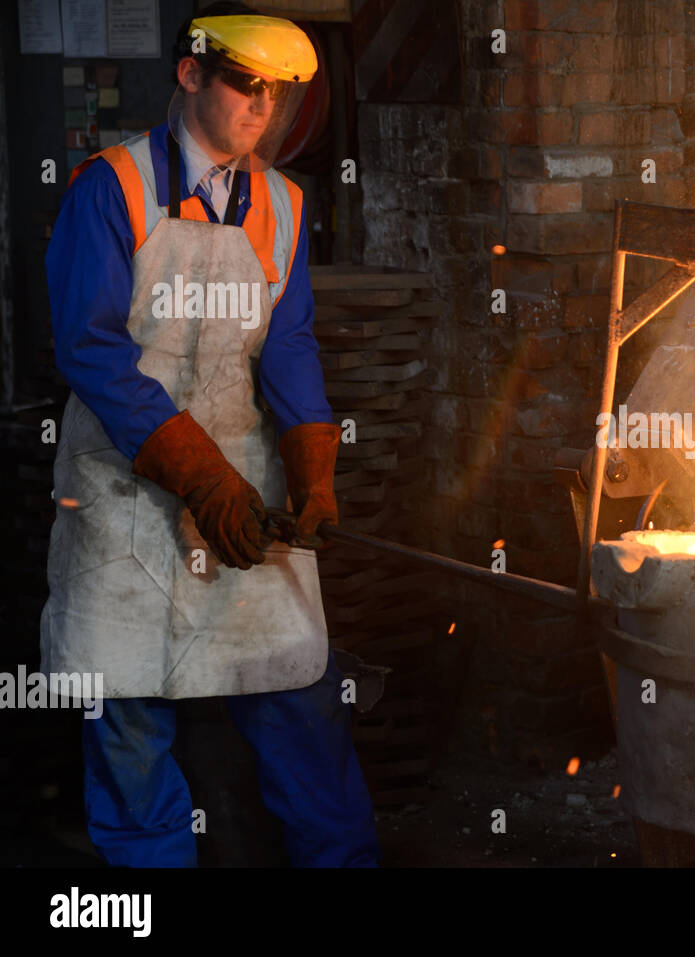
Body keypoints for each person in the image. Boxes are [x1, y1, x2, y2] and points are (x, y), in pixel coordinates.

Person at [41, 3, 379, 867]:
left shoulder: (284, 204)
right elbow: (91, 349)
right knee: (126, 719)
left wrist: (311, 472)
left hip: (247, 492)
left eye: (278, 94)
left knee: (299, 693)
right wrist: (197, 474)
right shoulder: (110, 188)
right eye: (244, 84)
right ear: (191, 75)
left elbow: (289, 343)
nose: (261, 109)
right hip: (124, 500)